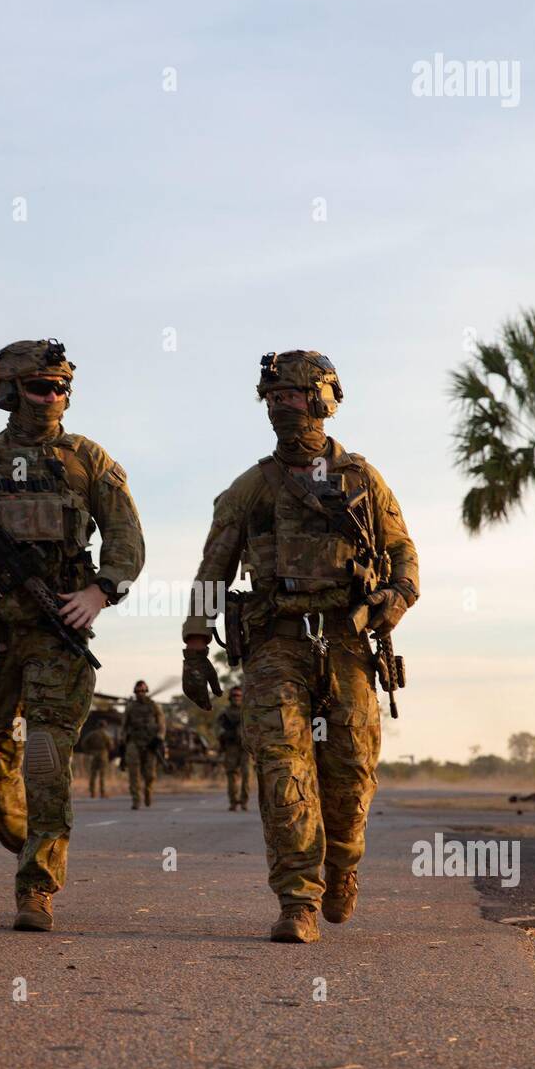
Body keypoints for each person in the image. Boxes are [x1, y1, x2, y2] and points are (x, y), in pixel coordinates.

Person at [181, 349, 419, 944]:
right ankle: (297, 900)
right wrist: (193, 641)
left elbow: (404, 559)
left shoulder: (363, 479)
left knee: (350, 780)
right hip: (275, 644)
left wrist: (390, 603)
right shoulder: (251, 488)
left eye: (293, 395)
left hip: (347, 642)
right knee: (283, 771)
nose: (282, 405)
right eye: (273, 397)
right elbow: (213, 568)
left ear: (323, 400)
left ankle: (342, 865)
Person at [0, 338, 144, 932]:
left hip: (55, 627)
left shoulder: (87, 459)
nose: (53, 396)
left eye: (61, 386)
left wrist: (98, 594)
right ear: (9, 390)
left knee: (45, 754)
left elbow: (126, 541)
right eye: (42, 386)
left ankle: (37, 887)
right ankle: (24, 837)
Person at [122, 680, 166, 809]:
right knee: (133, 772)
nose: (140, 693)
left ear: (146, 692)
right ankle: (136, 799)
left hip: (150, 742)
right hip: (134, 741)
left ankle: (148, 791)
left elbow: (162, 724)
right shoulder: (130, 707)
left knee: (150, 774)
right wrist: (123, 741)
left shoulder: (154, 706)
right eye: (138, 691)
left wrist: (159, 738)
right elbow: (124, 725)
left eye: (142, 691)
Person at [218, 685, 251, 811]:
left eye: (239, 696)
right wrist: (224, 735)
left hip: (246, 747)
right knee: (231, 774)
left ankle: (244, 801)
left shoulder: (248, 712)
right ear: (230, 698)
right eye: (234, 696)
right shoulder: (225, 713)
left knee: (246, 775)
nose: (236, 698)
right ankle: (233, 801)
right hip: (231, 747)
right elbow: (218, 729)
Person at [84, 723, 113, 798]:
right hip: (103, 755)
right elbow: (111, 746)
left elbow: (84, 742)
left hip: (93, 755)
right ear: (104, 726)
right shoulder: (106, 735)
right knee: (102, 775)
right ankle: (102, 793)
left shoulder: (92, 734)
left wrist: (89, 751)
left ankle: (92, 793)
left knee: (93, 774)